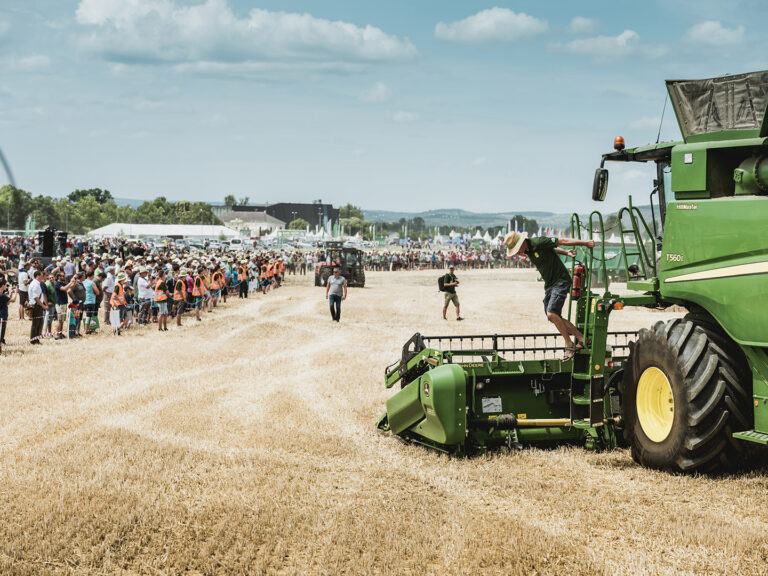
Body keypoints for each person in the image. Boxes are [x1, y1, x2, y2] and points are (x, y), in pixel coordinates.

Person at [504, 231, 594, 360]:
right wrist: (565, 253)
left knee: (552, 313)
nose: (517, 253)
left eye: (517, 249)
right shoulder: (529, 250)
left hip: (561, 281)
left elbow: (563, 241)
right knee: (552, 317)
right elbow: (551, 249)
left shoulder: (538, 242)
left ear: (522, 243)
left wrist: (585, 243)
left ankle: (569, 344)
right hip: (550, 284)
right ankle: (582, 339)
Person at [28, 269, 47, 345]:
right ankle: (34, 340)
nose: (43, 277)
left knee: (39, 323)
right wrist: (43, 306)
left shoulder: (36, 283)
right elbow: (36, 298)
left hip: (37, 305)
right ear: (38, 276)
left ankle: (36, 339)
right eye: (41, 275)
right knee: (36, 324)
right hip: (36, 306)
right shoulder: (35, 285)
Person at [0, 279, 17, 345]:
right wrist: (16, 292)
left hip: (2, 314)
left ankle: (2, 341)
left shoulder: (2, 295)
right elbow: (13, 300)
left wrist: (10, 293)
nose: (6, 287)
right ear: (2, 285)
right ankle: (1, 341)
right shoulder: (2, 295)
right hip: (2, 315)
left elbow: (7, 302)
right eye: (5, 285)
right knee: (2, 330)